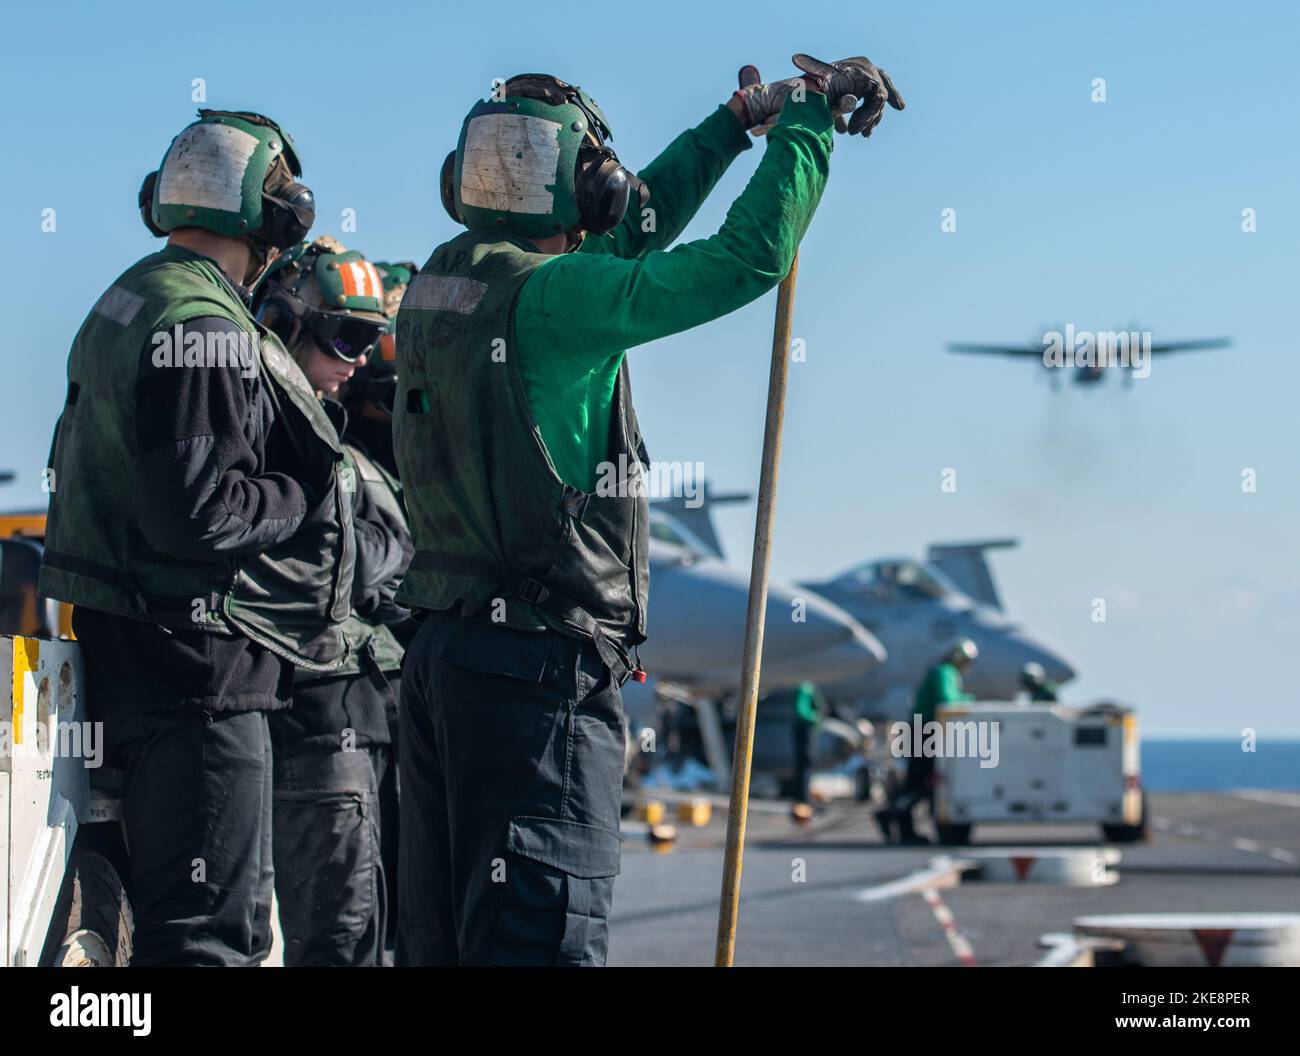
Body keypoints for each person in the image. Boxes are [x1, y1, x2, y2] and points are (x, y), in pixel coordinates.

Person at [393, 57, 904, 966]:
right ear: (586, 186)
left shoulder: (445, 284)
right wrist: (806, 130)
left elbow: (628, 233)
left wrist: (736, 121)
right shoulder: (555, 299)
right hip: (539, 675)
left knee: (450, 942)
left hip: (443, 661)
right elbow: (744, 261)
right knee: (538, 941)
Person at [38, 110, 354, 966]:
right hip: (200, 676)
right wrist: (304, 495)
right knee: (209, 937)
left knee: (161, 925)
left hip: (127, 652)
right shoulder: (207, 328)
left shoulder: (129, 295)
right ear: (275, 216)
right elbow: (200, 516)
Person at [253, 237, 412, 964]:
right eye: (347, 337)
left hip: (345, 711)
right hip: (319, 711)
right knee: (340, 940)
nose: (357, 359)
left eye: (370, 340)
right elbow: (363, 562)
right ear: (289, 323)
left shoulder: (327, 435)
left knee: (363, 932)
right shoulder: (286, 426)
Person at [877, 638, 978, 845]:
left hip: (922, 732)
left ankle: (901, 826)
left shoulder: (941, 672)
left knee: (920, 783)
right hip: (925, 734)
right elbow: (947, 702)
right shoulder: (944, 673)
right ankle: (892, 818)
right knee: (921, 783)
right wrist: (970, 701)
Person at [790, 680, 828, 810]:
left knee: (807, 764)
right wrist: (816, 718)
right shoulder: (805, 688)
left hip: (808, 730)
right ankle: (802, 798)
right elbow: (801, 710)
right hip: (806, 730)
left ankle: (804, 796)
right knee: (806, 762)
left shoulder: (809, 687)